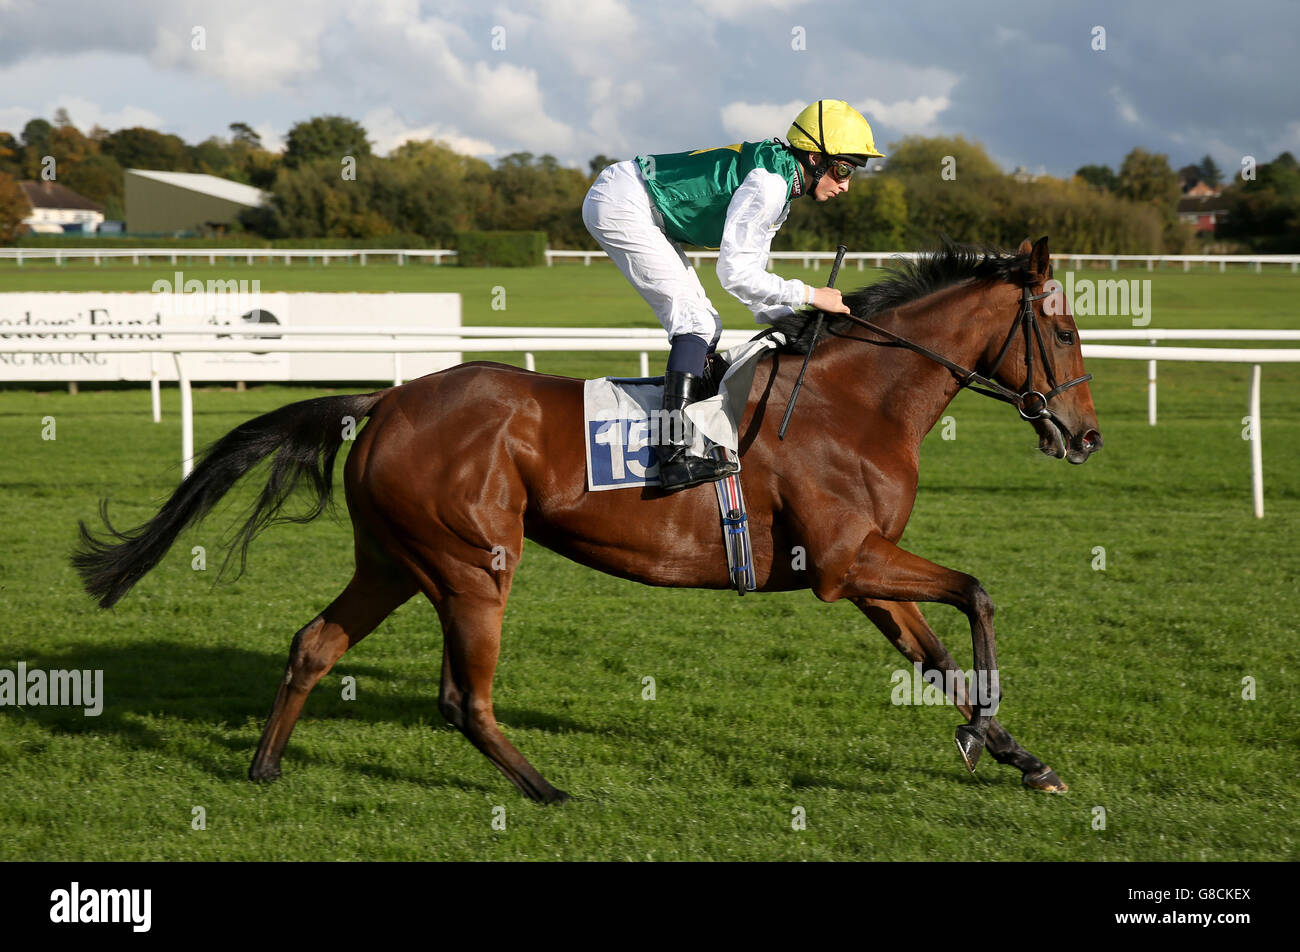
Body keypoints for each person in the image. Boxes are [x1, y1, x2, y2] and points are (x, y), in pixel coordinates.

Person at [582, 99, 884, 491]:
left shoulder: (781, 188)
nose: (845, 184)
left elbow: (754, 286)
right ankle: (673, 455)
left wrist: (797, 322)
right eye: (843, 169)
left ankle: (694, 435)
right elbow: (735, 274)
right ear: (814, 158)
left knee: (708, 326)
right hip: (622, 202)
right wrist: (811, 294)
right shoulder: (769, 185)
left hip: (640, 204)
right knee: (695, 322)